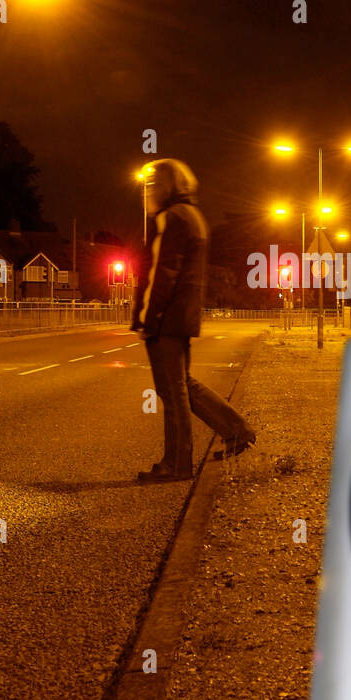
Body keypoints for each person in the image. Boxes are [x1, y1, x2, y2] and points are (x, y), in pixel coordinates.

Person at [131, 158, 256, 483]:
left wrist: (147, 319)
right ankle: (236, 430)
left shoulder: (171, 218)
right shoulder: (193, 217)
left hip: (166, 320)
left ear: (165, 186)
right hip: (182, 317)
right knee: (181, 386)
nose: (147, 191)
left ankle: (177, 464)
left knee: (172, 392)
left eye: (151, 185)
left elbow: (161, 273)